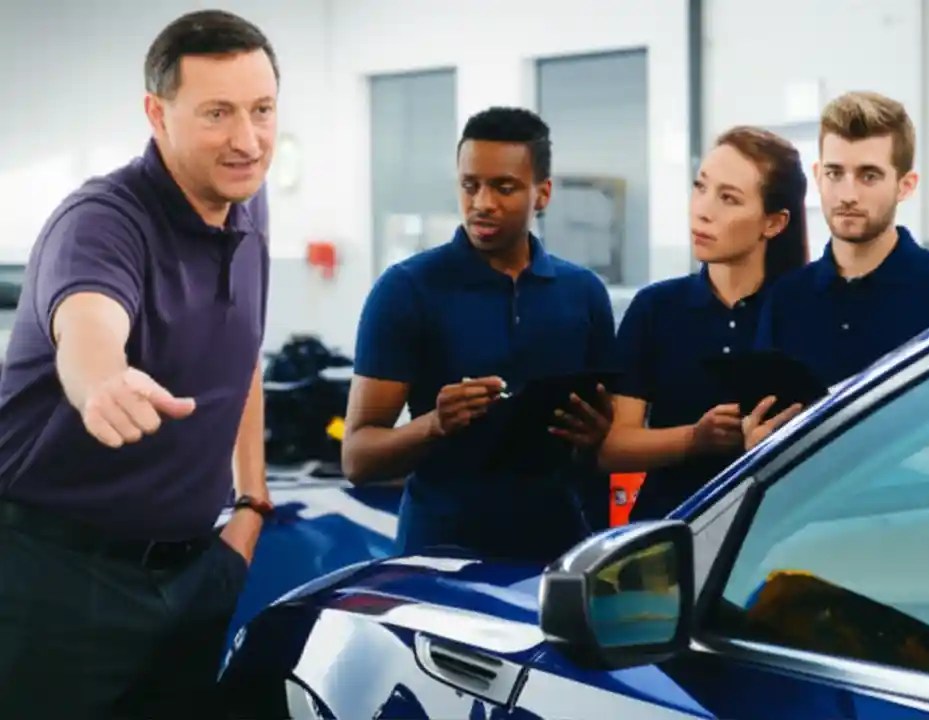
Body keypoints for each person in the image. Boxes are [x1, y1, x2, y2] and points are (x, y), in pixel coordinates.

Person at [0, 10, 276, 717]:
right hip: (55, 584)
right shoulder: (101, 220)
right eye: (217, 113)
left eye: (262, 110)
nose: (247, 140)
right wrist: (101, 380)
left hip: (194, 576)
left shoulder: (248, 200)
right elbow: (88, 321)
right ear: (158, 113)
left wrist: (249, 504)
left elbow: (243, 352)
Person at [342, 107, 616, 561]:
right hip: (439, 557)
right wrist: (435, 424)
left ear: (542, 194)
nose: (482, 202)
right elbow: (357, 458)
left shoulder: (583, 293)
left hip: (554, 554)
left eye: (503, 187)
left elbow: (604, 449)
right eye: (470, 185)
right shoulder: (407, 289)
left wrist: (595, 436)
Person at [746, 91, 929, 446]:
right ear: (818, 176)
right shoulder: (785, 300)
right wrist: (756, 442)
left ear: (905, 186)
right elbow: (763, 419)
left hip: (925, 500)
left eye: (869, 176)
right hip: (811, 500)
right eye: (835, 173)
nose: (847, 194)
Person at [599, 127, 808, 520]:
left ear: (774, 223)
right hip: (667, 533)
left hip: (770, 532)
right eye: (701, 188)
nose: (703, 209)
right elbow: (612, 446)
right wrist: (694, 439)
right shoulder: (656, 307)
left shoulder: (803, 311)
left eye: (728, 198)